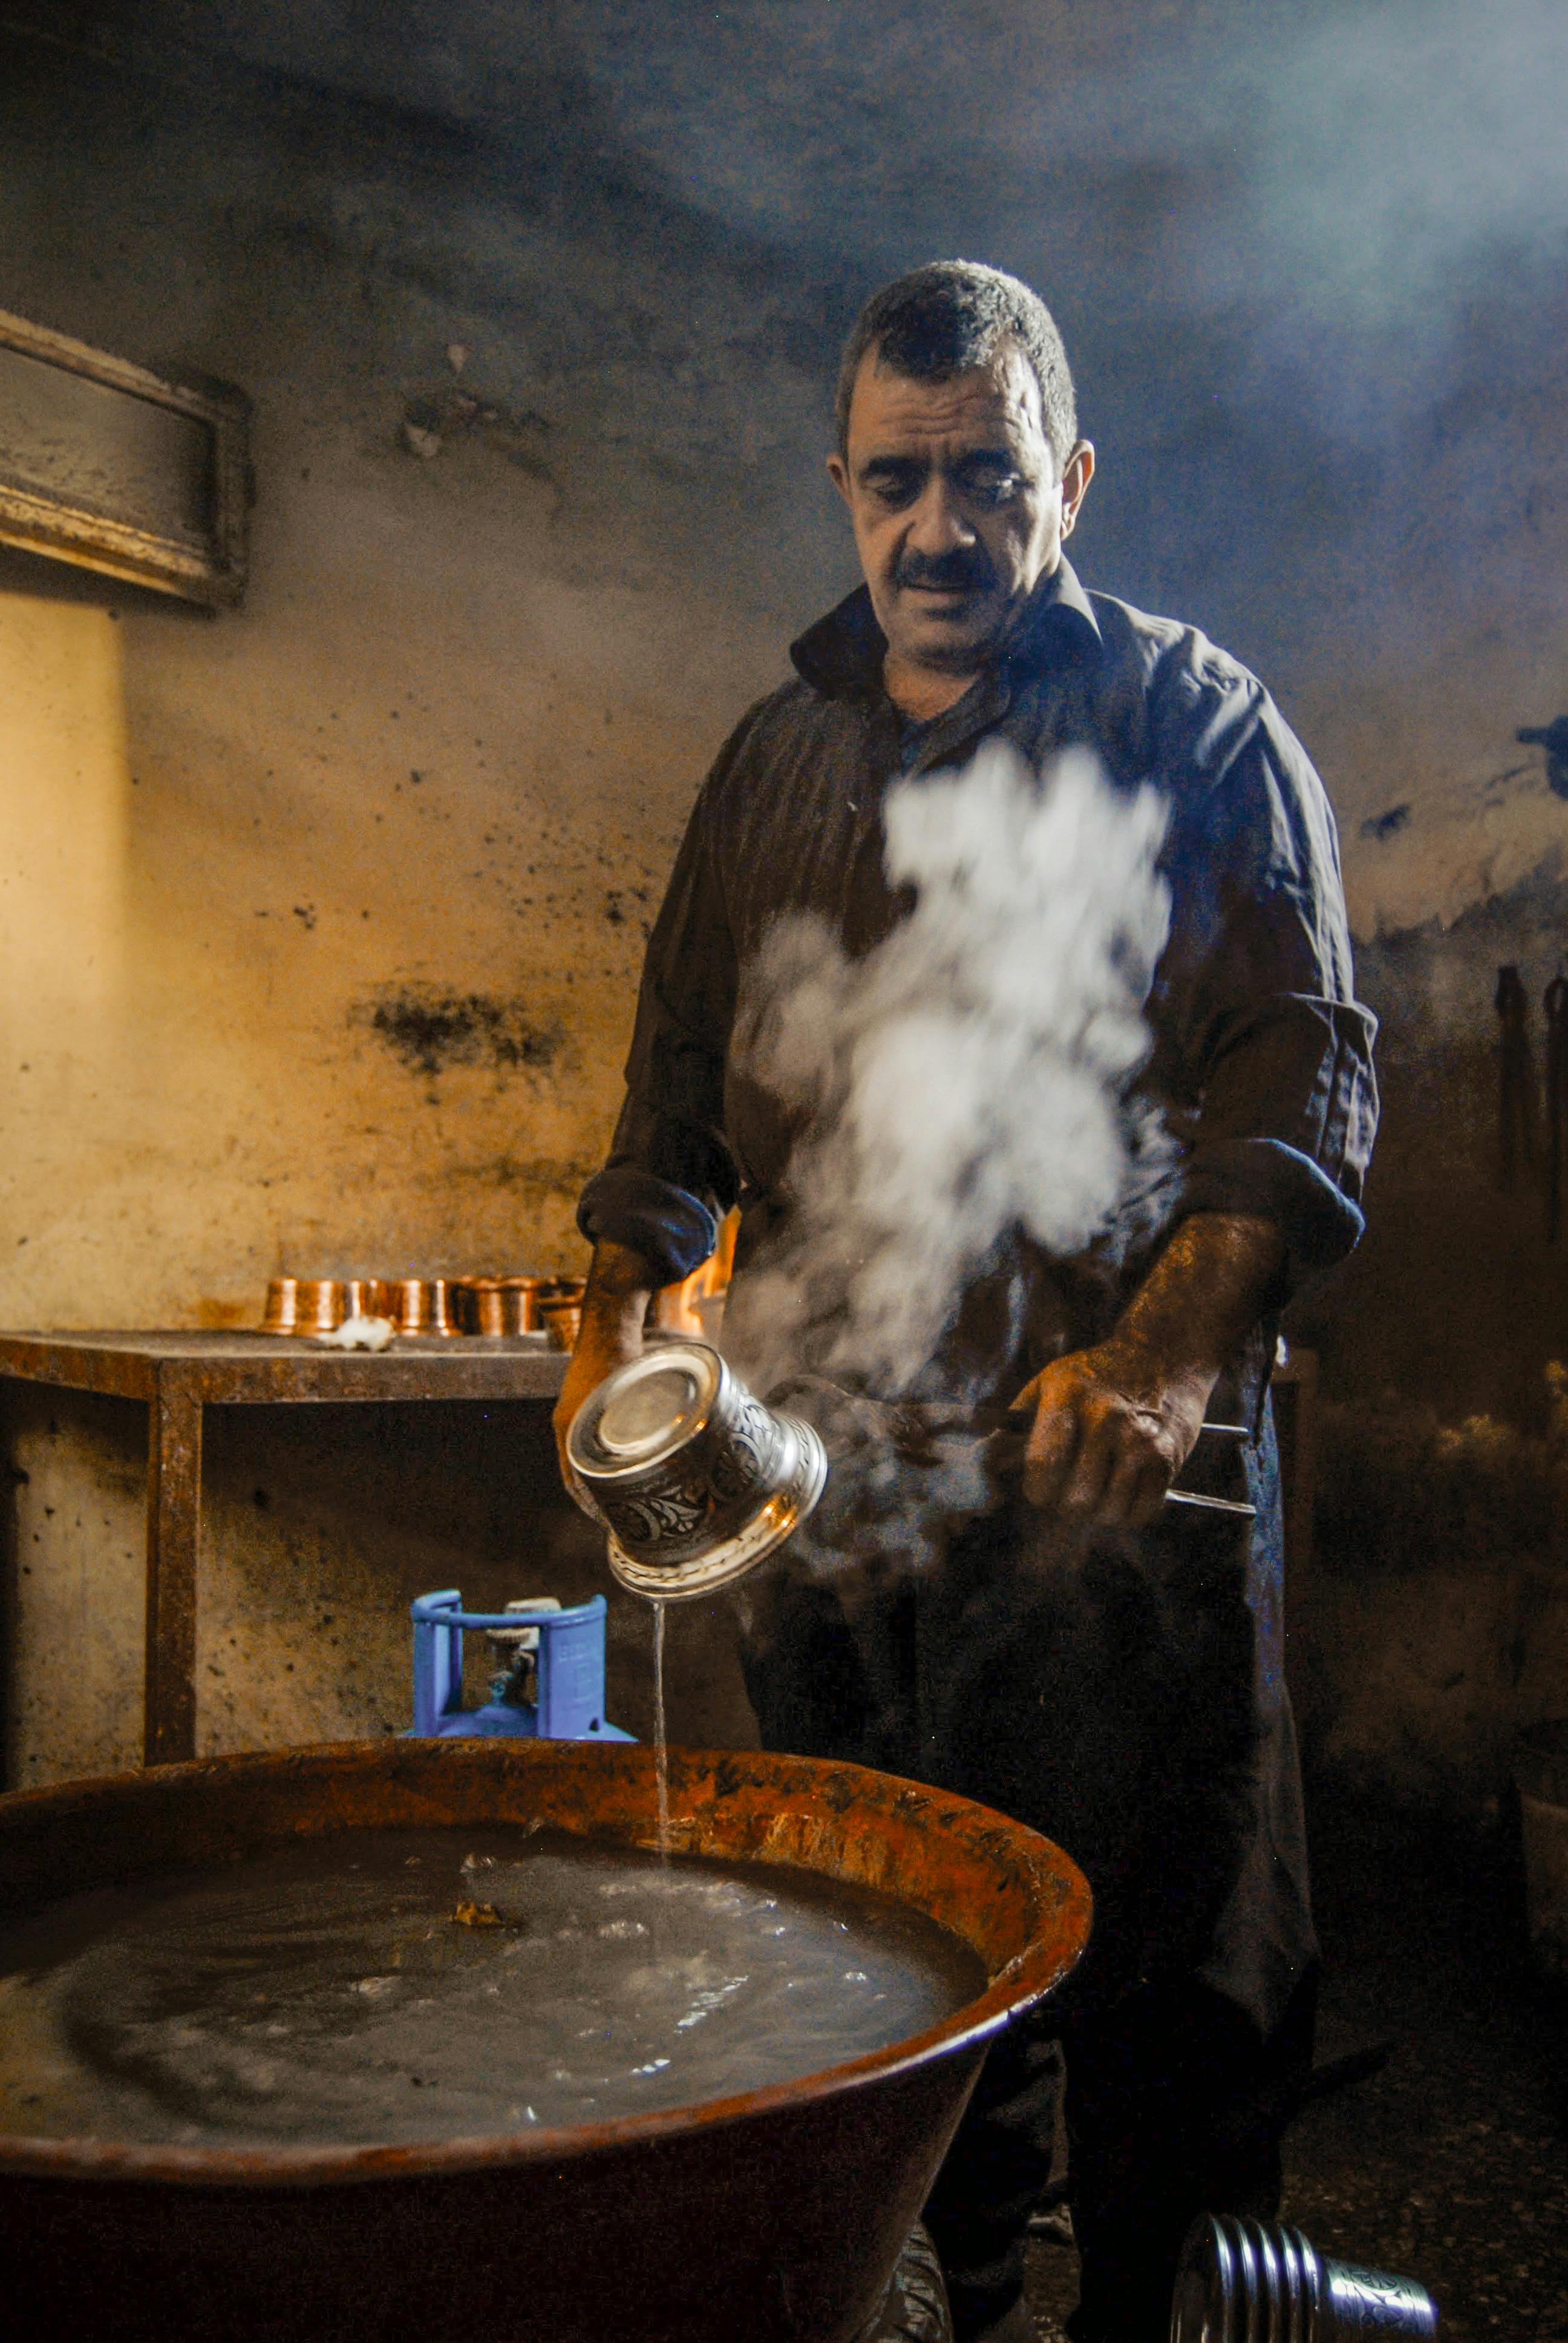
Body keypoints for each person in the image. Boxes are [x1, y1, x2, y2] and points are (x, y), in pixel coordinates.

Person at [553, 261, 1377, 2343]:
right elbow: (673, 1094)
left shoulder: (1200, 725)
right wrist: (625, 1307)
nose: (942, 530)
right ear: (842, 484)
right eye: (897, 482)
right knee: (883, 1984)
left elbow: (1302, 1082)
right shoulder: (773, 760)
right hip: (831, 1504)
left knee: (1166, 2014)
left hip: (1115, 1509)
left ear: (1068, 481)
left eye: (988, 479)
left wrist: (1169, 1362)